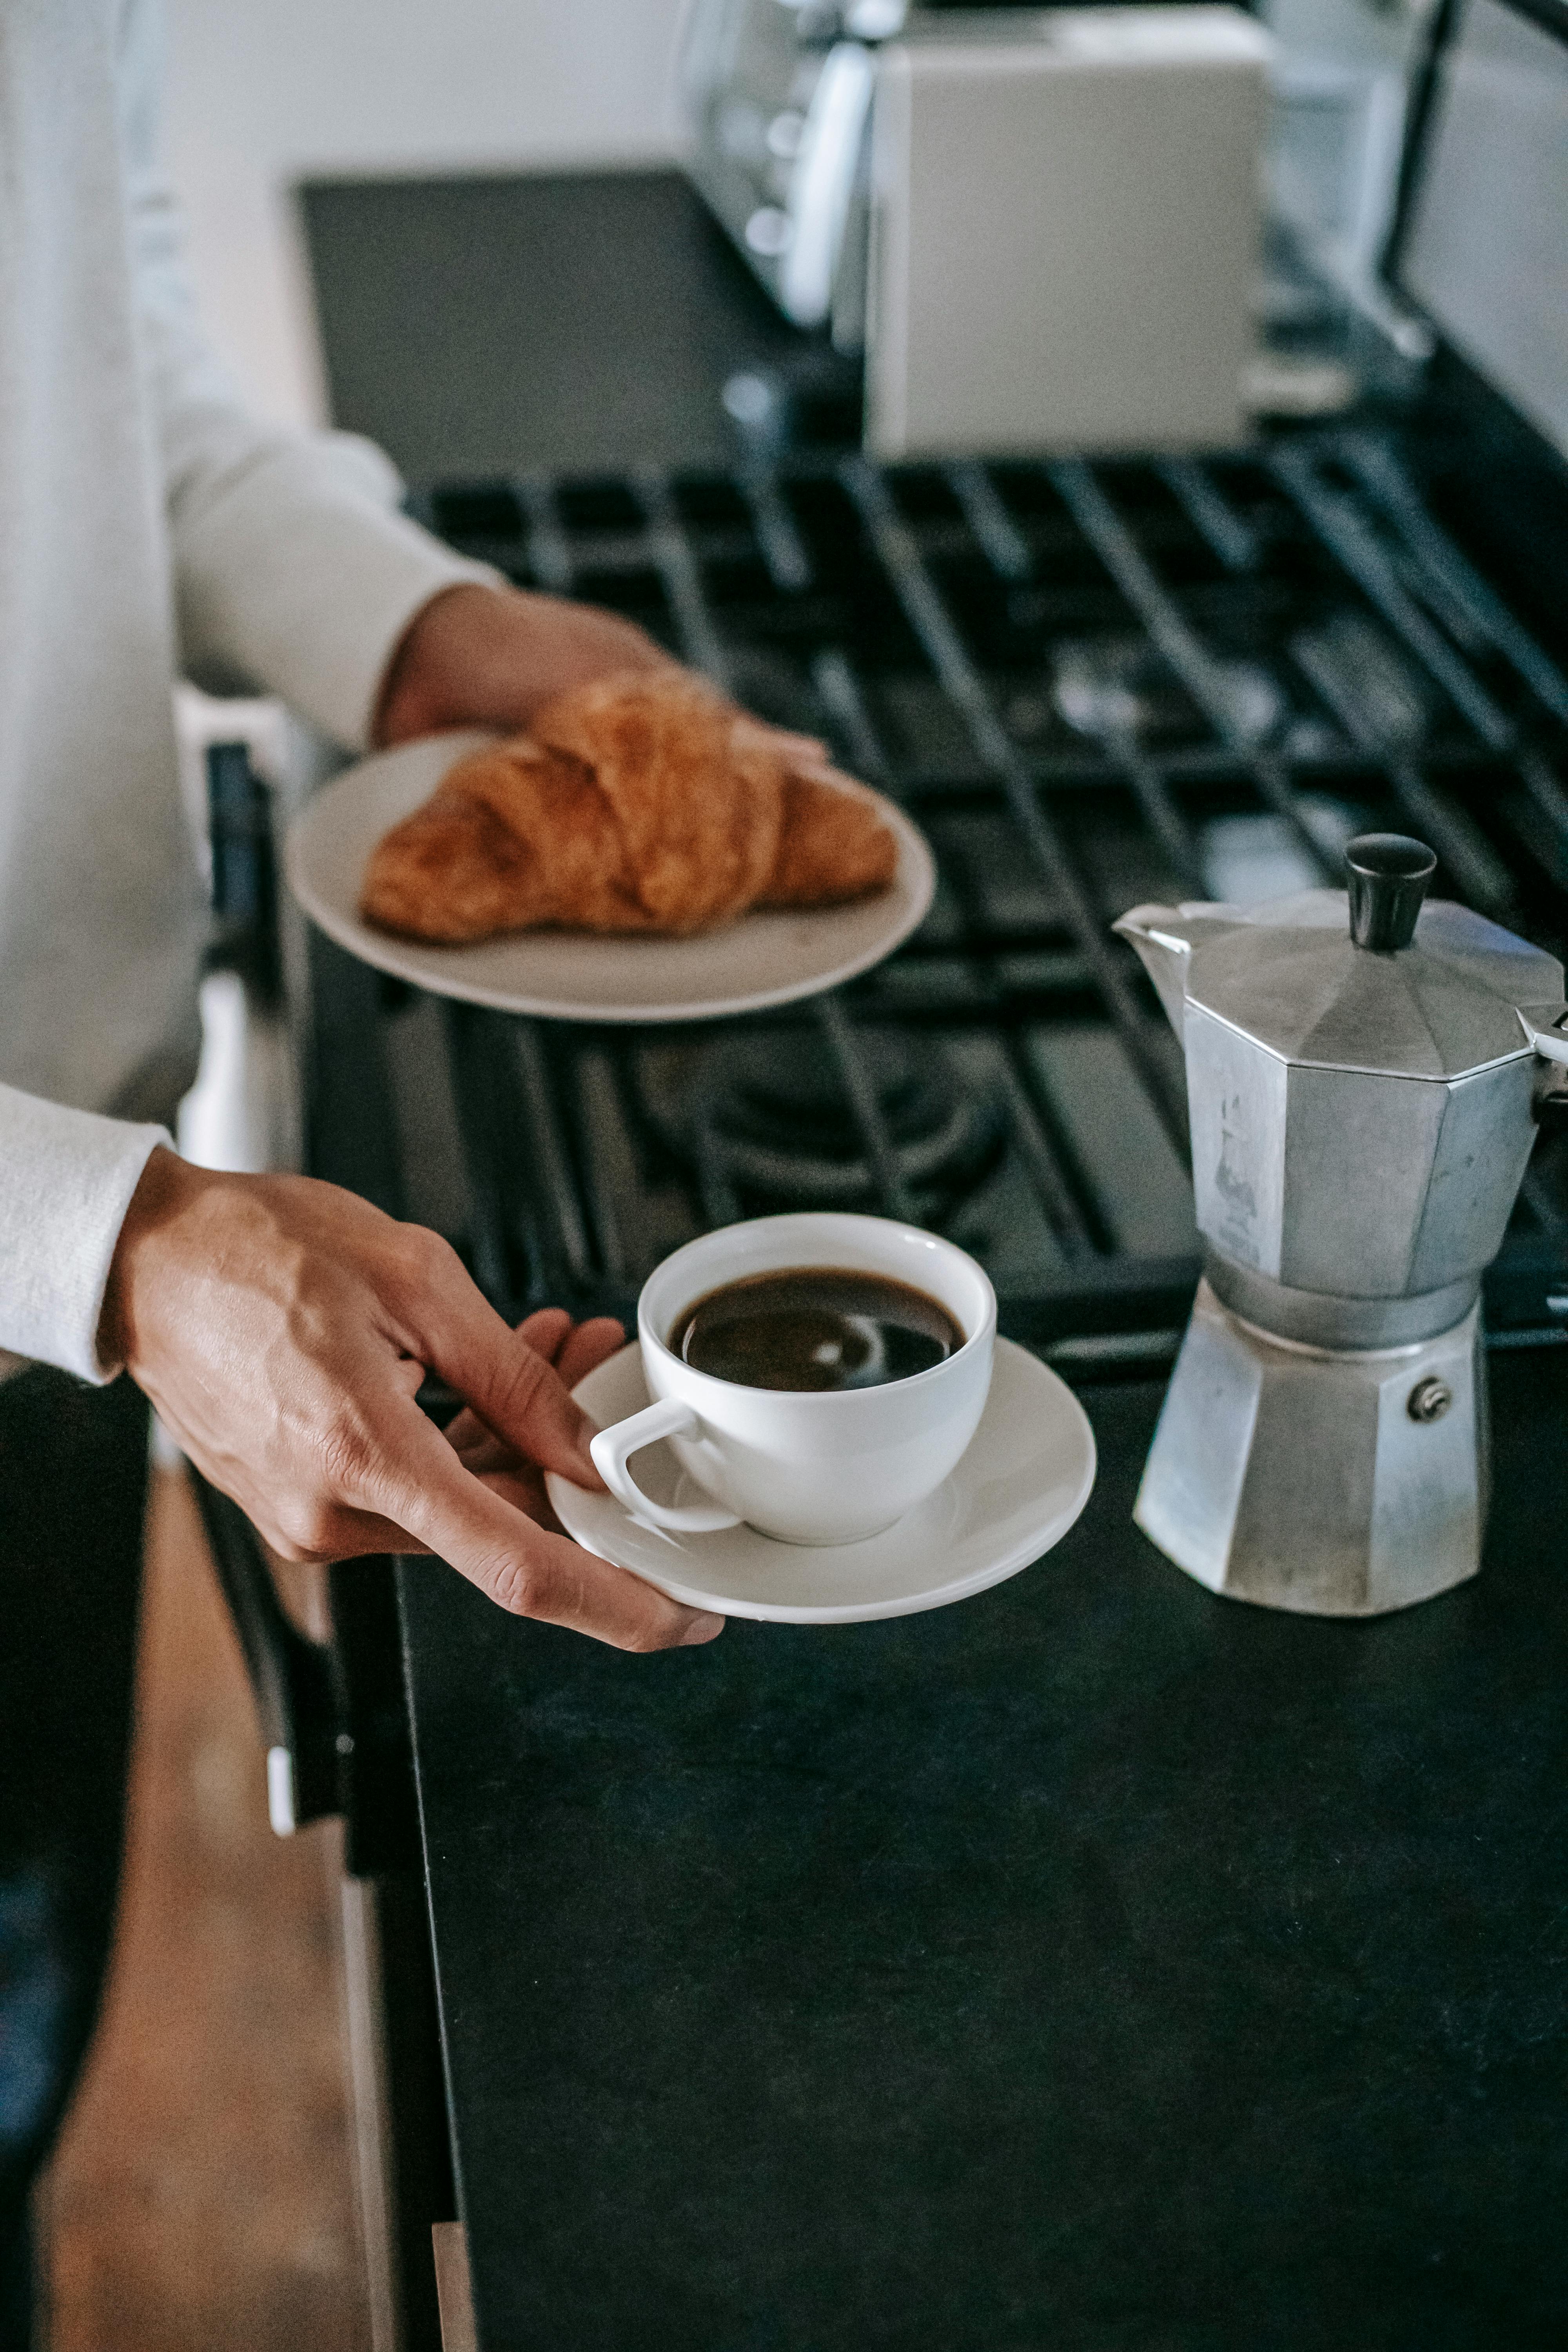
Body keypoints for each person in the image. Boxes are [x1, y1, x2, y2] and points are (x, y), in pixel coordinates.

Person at [0, 2, 745, 2336]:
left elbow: (105, 381)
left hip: (48, 1305)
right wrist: (105, 1240)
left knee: (11, 2052)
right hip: (76, 1246)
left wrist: (414, 626)